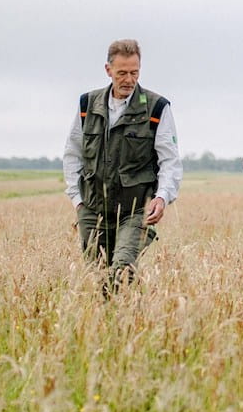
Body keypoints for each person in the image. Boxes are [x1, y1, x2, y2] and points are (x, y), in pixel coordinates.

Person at [63, 39, 182, 291]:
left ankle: (127, 319)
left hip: (136, 210)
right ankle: (121, 321)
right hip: (92, 209)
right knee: (97, 277)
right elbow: (72, 153)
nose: (129, 79)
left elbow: (170, 161)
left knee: (122, 269)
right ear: (108, 70)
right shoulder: (87, 105)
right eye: (122, 73)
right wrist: (78, 200)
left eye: (134, 72)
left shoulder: (157, 107)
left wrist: (162, 198)